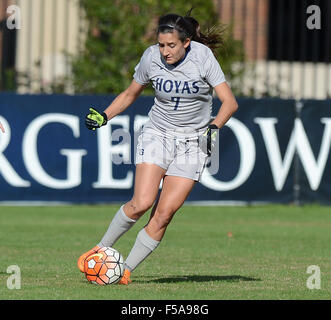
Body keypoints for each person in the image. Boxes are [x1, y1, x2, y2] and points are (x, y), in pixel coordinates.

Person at [78, 12, 238, 285]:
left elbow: (229, 103)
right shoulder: (150, 57)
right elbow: (131, 93)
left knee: (163, 215)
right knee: (141, 203)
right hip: (158, 134)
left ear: (186, 42)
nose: (164, 51)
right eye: (161, 45)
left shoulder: (202, 57)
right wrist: (105, 116)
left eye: (171, 45)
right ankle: (99, 250)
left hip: (193, 143)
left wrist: (213, 128)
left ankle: (123, 272)